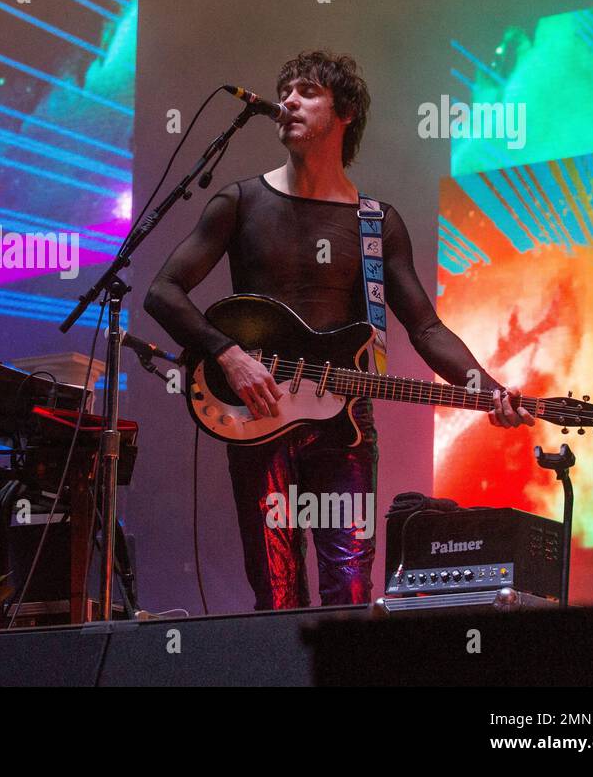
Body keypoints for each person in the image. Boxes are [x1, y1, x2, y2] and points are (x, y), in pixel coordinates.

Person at [143, 51, 533, 610]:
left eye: (306, 91)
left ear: (344, 111)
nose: (289, 101)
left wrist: (487, 387)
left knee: (350, 590)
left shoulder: (375, 222)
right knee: (274, 593)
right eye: (286, 91)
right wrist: (228, 355)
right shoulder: (239, 201)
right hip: (259, 413)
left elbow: (424, 327)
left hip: (345, 426)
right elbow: (163, 291)